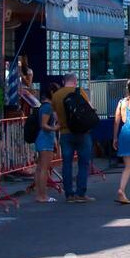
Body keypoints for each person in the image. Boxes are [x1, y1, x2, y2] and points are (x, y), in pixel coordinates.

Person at [51, 74, 96, 203]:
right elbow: (89, 108)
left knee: (67, 164)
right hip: (82, 133)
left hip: (65, 133)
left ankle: (69, 194)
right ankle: (80, 193)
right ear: (75, 81)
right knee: (83, 163)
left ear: (63, 81)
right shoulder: (80, 92)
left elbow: (55, 117)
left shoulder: (56, 95)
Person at [33, 83, 60, 203]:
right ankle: (43, 195)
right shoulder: (48, 107)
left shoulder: (44, 106)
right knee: (44, 168)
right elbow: (44, 125)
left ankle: (39, 195)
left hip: (42, 139)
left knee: (40, 168)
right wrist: (56, 128)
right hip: (45, 139)